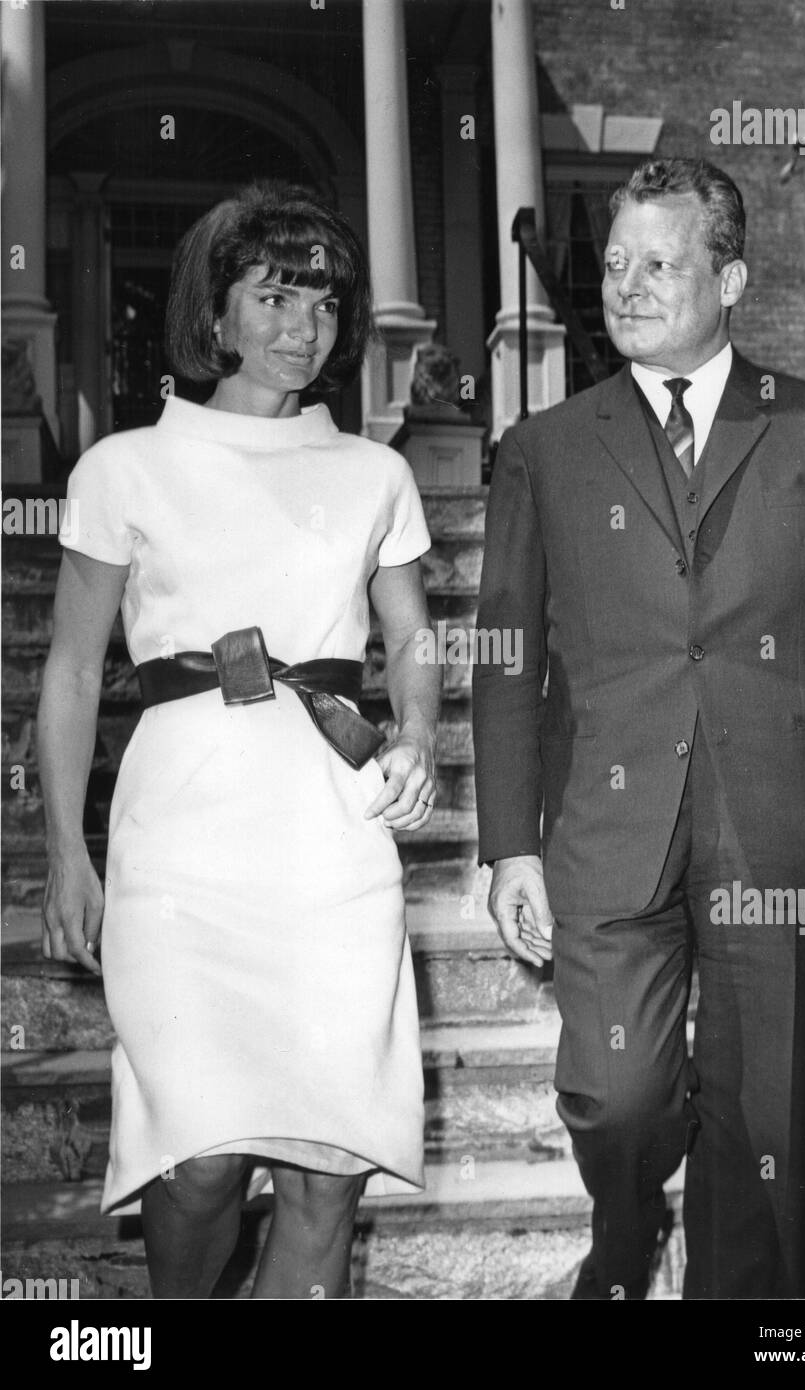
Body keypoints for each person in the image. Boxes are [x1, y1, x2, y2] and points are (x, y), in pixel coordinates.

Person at [473, 157, 805, 1300]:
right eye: (615, 262)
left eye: (659, 262)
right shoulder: (545, 450)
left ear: (732, 278)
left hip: (782, 822)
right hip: (608, 825)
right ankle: (625, 1237)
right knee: (616, 1102)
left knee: (765, 1122)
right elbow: (508, 657)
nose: (626, 284)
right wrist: (509, 844)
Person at [38, 182, 441, 1299]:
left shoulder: (376, 474)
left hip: (332, 847)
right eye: (274, 296)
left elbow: (413, 645)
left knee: (325, 1174)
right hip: (180, 850)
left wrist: (415, 735)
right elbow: (72, 668)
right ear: (213, 315)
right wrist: (67, 851)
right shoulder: (122, 468)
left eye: (323, 302)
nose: (302, 327)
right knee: (201, 1163)